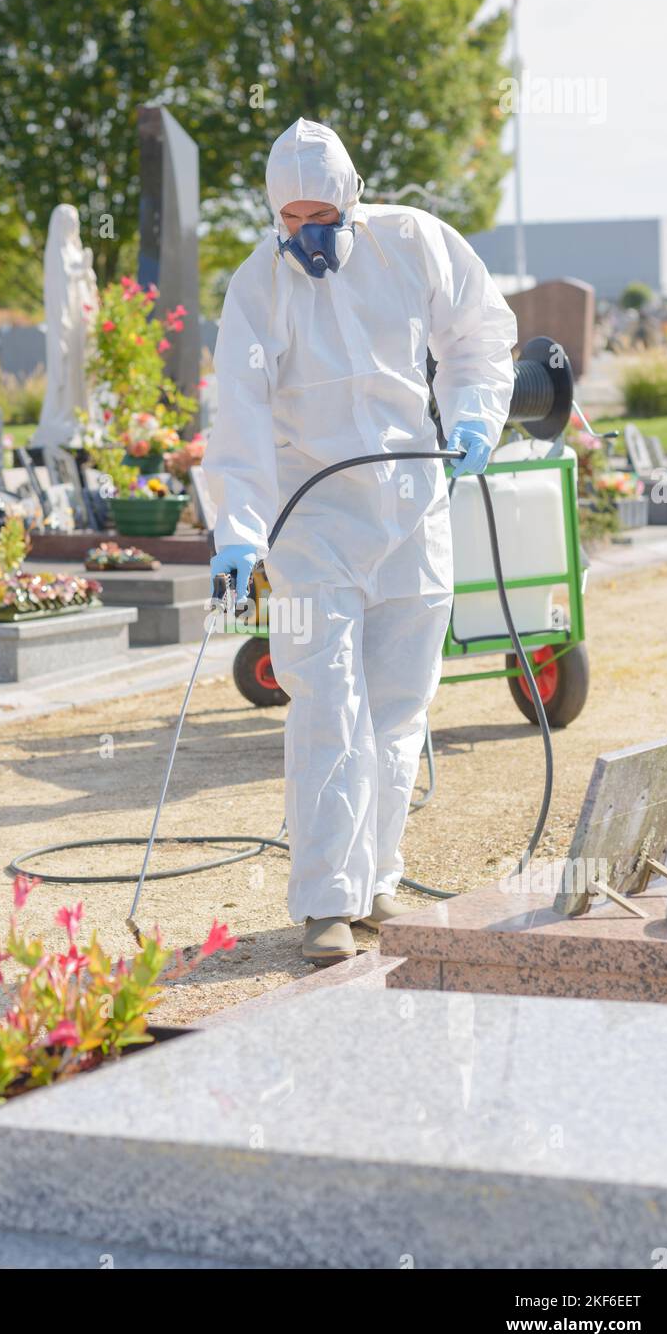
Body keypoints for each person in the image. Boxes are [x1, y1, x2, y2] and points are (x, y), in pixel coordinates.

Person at [203, 118, 517, 965]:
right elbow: (237, 412)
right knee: (325, 707)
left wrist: (475, 420)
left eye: (323, 215)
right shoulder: (256, 288)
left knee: (398, 710)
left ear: (351, 199)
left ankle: (378, 875)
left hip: (413, 509)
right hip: (311, 527)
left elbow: (480, 336)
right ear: (275, 216)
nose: (311, 236)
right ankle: (325, 903)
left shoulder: (412, 242)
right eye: (293, 219)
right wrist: (236, 530)